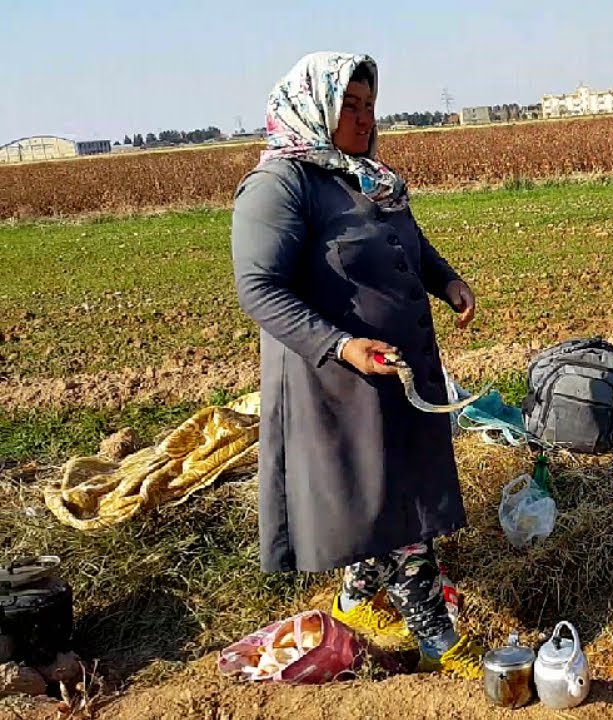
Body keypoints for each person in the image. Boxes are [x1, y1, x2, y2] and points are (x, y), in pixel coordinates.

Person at [230, 51, 484, 678]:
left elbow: (409, 243)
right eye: (350, 105)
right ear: (315, 107)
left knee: (389, 490)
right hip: (335, 382)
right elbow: (258, 288)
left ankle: (354, 603)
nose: (365, 118)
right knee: (392, 501)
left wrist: (445, 280)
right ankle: (437, 637)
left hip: (395, 370)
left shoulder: (368, 176)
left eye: (370, 105)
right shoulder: (280, 185)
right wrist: (343, 346)